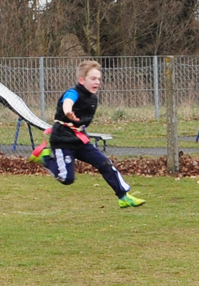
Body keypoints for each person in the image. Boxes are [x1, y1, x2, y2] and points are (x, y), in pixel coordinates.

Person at [30, 60, 145, 209]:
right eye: (93, 78)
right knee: (66, 178)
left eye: (99, 79)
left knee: (104, 163)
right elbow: (68, 101)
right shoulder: (73, 92)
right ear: (81, 80)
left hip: (80, 139)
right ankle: (44, 158)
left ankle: (123, 197)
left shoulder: (92, 98)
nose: (97, 82)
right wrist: (68, 112)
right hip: (62, 140)